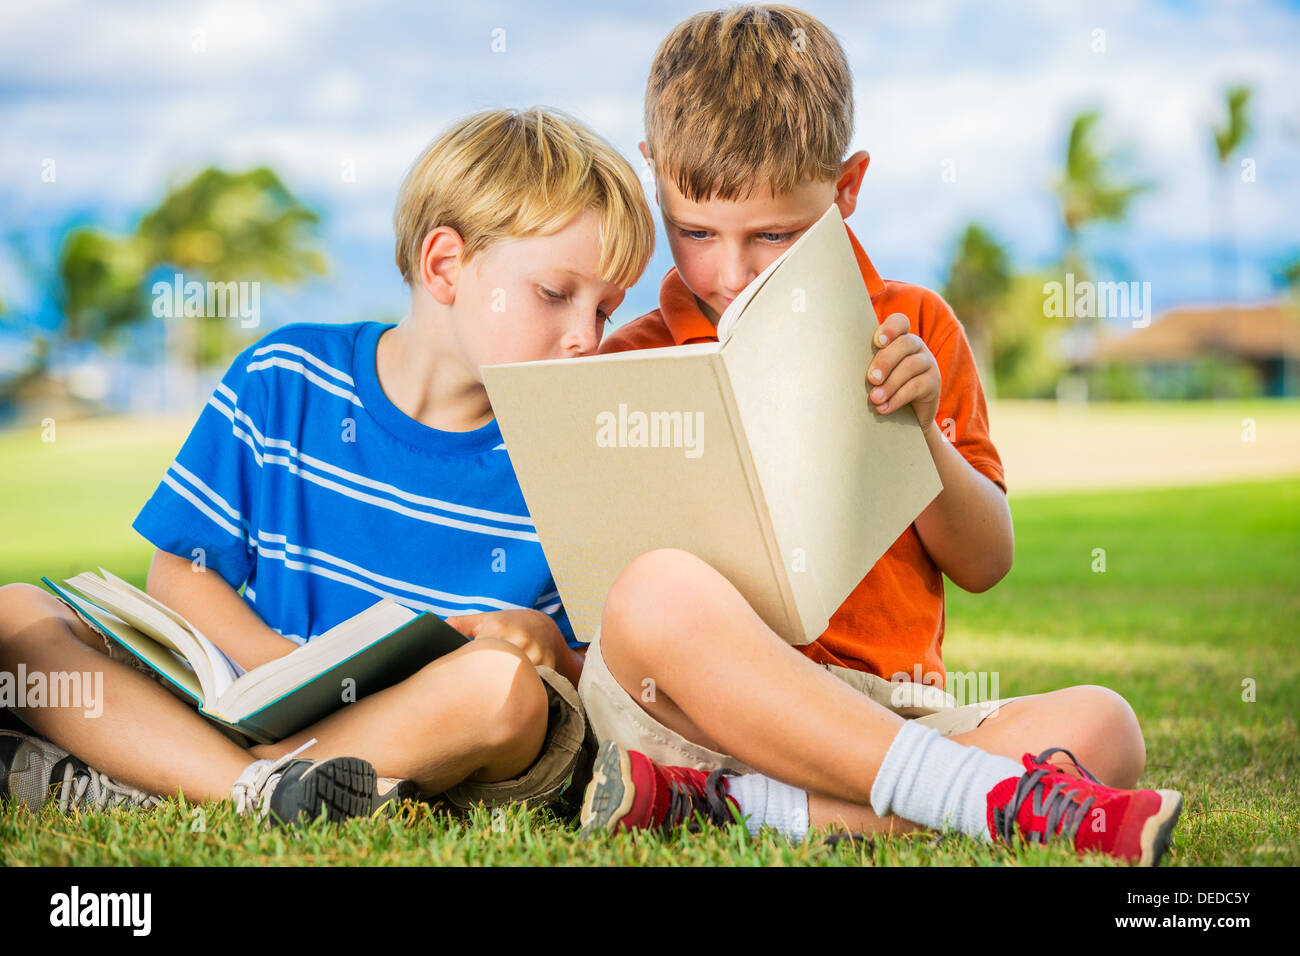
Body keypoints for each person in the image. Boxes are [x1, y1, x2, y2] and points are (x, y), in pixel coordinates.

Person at [576, 4, 1182, 865]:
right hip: (702, 707)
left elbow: (985, 563)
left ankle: (747, 807)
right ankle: (966, 794)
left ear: (847, 186)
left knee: (1105, 726)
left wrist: (918, 432)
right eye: (695, 232)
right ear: (654, 177)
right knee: (654, 590)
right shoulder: (629, 355)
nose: (730, 271)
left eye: (774, 234)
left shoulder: (914, 327)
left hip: (887, 707)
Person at [0, 107, 653, 827]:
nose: (585, 339)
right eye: (557, 295)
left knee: (504, 691)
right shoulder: (287, 376)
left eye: (607, 311)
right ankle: (260, 786)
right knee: (14, 614)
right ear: (445, 266)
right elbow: (178, 570)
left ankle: (188, 780)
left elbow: (601, 681)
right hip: (252, 692)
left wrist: (549, 646)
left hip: (425, 726)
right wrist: (281, 664)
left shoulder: (571, 454)